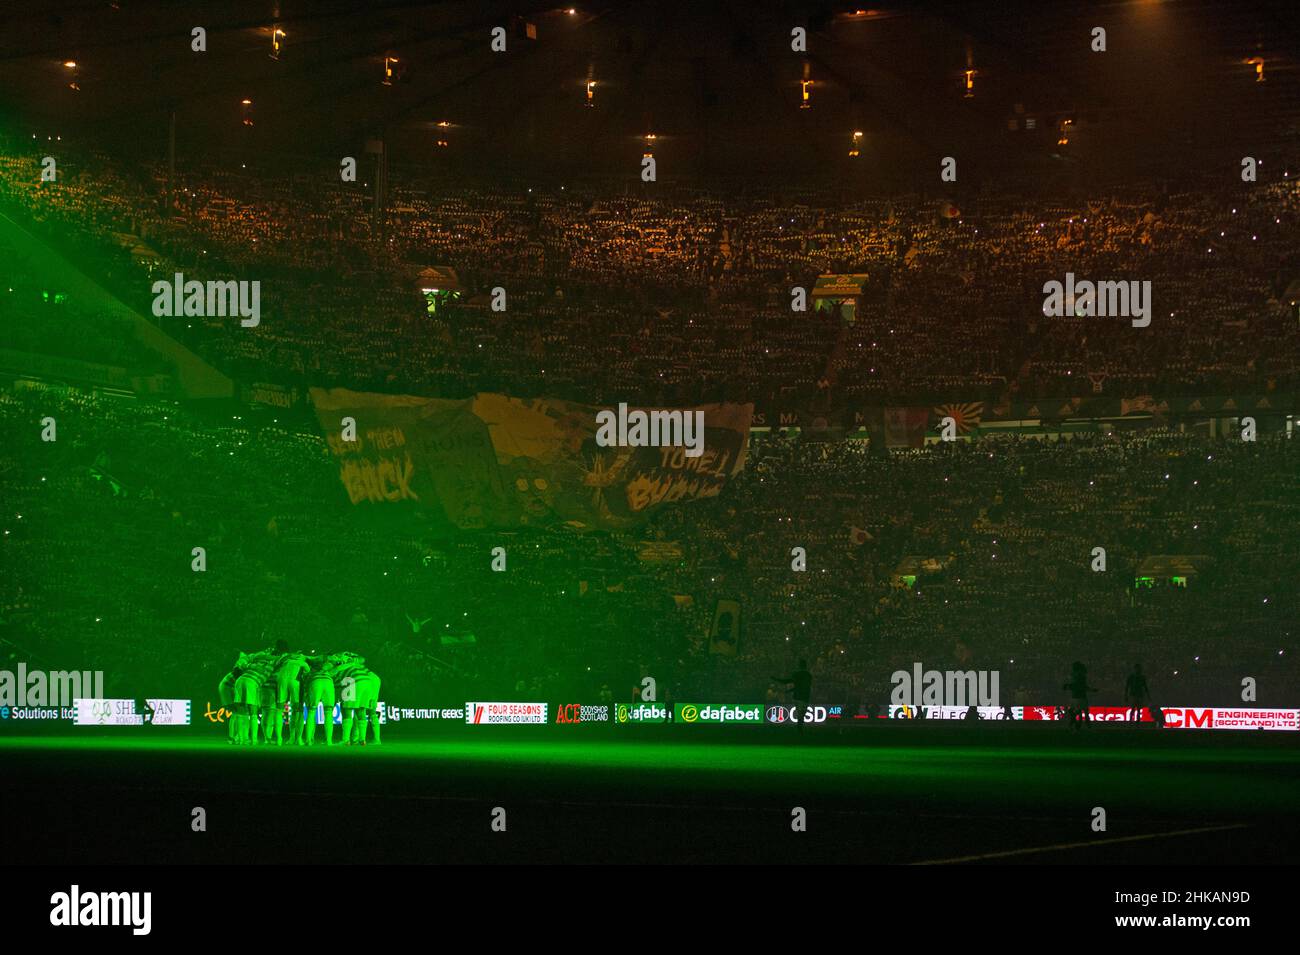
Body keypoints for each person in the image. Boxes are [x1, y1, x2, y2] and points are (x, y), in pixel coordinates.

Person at [303, 654, 337, 746]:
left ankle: (308, 740)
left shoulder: (309, 668)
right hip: (328, 682)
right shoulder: (329, 666)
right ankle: (329, 741)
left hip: (315, 681)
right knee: (329, 713)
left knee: (311, 711)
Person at [1063, 662, 1096, 729]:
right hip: (1081, 697)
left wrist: (1068, 686)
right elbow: (1082, 686)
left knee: (1078, 713)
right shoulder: (1081, 676)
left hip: (1075, 697)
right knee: (1084, 713)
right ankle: (1085, 727)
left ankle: (1074, 726)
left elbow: (1075, 685)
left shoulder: (1074, 675)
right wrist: (1091, 690)